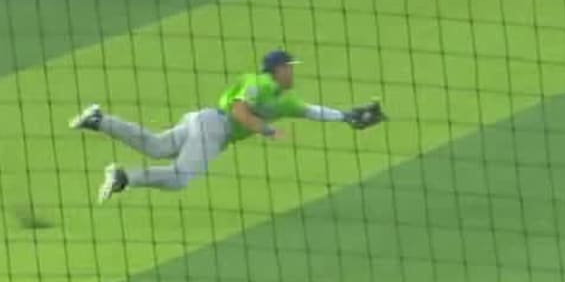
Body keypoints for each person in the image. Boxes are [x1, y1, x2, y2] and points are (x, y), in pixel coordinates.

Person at [70, 49, 385, 202]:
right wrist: (268, 130)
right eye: (289, 67)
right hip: (213, 127)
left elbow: (313, 111)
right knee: (180, 179)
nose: (292, 72)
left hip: (204, 123)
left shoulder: (285, 99)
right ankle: (125, 177)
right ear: (276, 69)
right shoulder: (258, 83)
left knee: (156, 146)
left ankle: (99, 120)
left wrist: (345, 116)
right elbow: (239, 111)